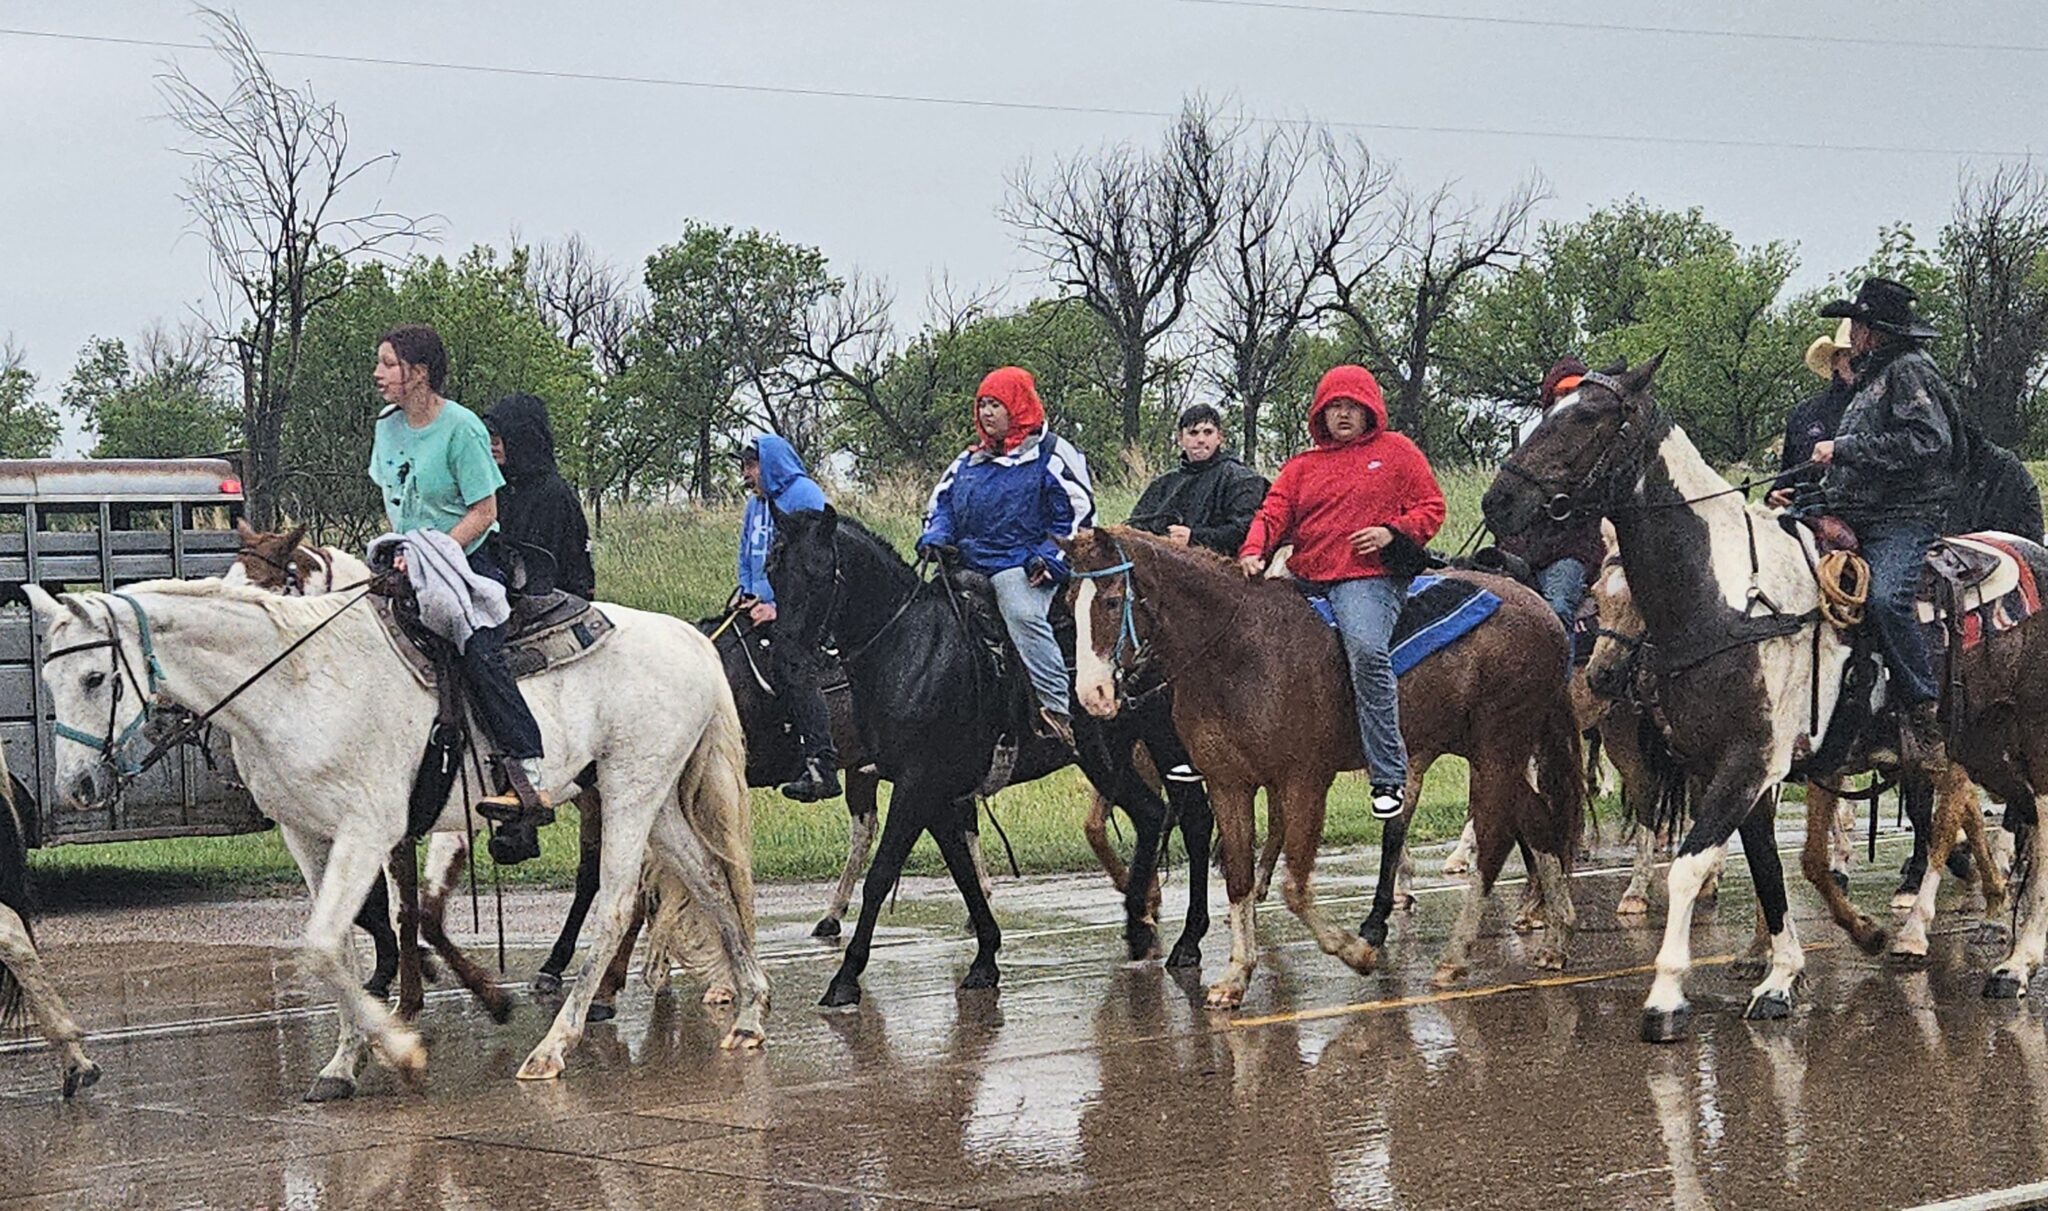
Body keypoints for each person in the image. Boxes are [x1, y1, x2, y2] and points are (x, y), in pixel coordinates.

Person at [369, 324, 551, 864]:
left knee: (478, 648)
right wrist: (403, 554)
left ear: (418, 373)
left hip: (466, 561)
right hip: (406, 561)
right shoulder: (387, 428)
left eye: (388, 364)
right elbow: (397, 500)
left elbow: (485, 512)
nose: (378, 375)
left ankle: (526, 765)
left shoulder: (462, 429)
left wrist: (435, 553)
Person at [1238, 365, 1445, 819]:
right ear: (1320, 414)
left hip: (1366, 579)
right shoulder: (1301, 466)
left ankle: (1388, 772)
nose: (1344, 415)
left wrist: (1394, 532)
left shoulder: (1397, 452)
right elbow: (1273, 513)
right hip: (1307, 574)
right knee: (1243, 635)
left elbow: (1432, 507)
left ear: (1370, 409)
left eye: (1352, 406)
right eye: (1334, 408)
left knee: (1368, 651)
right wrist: (1254, 550)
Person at [1812, 277, 1964, 769]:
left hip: (1904, 516)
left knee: (1884, 598)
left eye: (1857, 323)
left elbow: (1929, 443)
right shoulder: (1872, 377)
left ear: (1875, 331)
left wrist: (1844, 449)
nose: (1851, 333)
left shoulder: (1909, 371)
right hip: (1860, 512)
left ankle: (1923, 712)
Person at [919, 366, 1096, 746]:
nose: (986, 413)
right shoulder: (968, 461)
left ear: (1018, 406)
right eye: (982, 404)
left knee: (1022, 613)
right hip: (968, 561)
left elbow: (1078, 515)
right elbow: (941, 505)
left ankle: (1057, 710)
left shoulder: (1052, 454)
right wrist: (936, 536)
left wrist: (1052, 559)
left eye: (995, 404)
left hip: (1022, 565)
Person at [736, 434, 838, 801]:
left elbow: (813, 569)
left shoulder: (805, 496)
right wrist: (748, 594)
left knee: (791, 665)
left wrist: (777, 606)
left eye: (751, 466)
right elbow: (747, 556)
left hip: (801, 612)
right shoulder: (756, 505)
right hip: (757, 606)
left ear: (770, 464)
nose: (746, 475)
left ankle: (816, 759)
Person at [1498, 356, 1606, 629]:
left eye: (1573, 393)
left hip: (1571, 549)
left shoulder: (1593, 447)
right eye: (1561, 393)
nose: (1566, 399)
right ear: (1549, 398)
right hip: (1521, 549)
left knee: (1557, 607)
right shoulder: (1534, 446)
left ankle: (1559, 669)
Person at [484, 393, 595, 599]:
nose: (493, 445)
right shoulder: (495, 489)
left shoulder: (554, 495)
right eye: (489, 436)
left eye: (499, 437)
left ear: (521, 438)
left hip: (553, 606)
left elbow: (568, 569)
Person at [1129, 403, 1268, 556]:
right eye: (1193, 433)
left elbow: (1245, 531)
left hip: (1222, 571)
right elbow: (1135, 530)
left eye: (1208, 432)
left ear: (1219, 437)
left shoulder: (1242, 479)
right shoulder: (1162, 484)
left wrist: (1194, 537)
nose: (1201, 440)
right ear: (1180, 439)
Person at [1766, 319, 1857, 509]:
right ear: (1835, 361)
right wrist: (1774, 495)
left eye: (1863, 355)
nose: (1856, 362)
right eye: (1849, 354)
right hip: (1805, 516)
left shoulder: (1889, 409)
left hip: (1862, 516)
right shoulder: (1802, 415)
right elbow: (1786, 476)